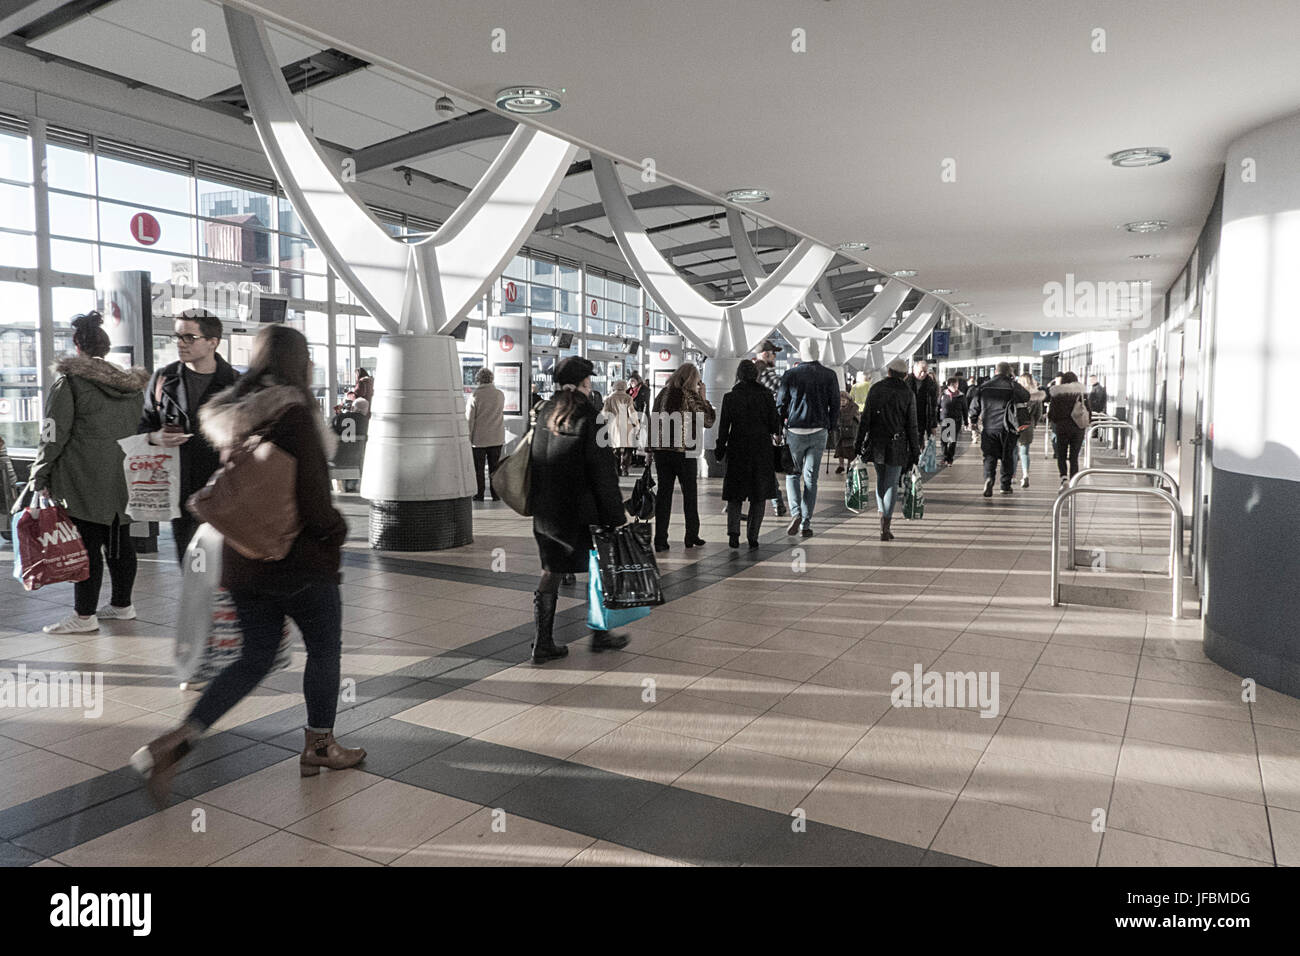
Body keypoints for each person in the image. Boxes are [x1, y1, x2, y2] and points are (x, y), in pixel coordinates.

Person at [133, 325, 360, 807]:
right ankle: (320, 746)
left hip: (243, 558)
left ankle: (179, 739)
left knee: (254, 658)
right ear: (300, 362)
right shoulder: (294, 414)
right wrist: (335, 533)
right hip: (298, 562)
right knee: (324, 649)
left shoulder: (234, 412)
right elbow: (314, 502)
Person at [19, 312, 147, 634]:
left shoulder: (70, 383)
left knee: (86, 546)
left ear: (77, 345)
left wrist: (39, 474)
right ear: (105, 347)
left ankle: (84, 616)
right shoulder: (131, 388)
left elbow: (52, 435)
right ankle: (122, 605)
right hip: (122, 477)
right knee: (120, 542)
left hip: (82, 479)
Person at [527, 356, 629, 663]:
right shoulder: (593, 418)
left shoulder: (545, 412)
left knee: (551, 571)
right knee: (598, 569)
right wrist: (616, 515)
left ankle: (543, 642)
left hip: (548, 512)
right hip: (583, 512)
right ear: (585, 383)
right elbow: (604, 473)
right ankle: (599, 635)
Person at [139, 308, 240, 563]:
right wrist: (156, 437)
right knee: (189, 564)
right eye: (178, 337)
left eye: (189, 338)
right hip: (179, 489)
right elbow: (143, 427)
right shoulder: (164, 379)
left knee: (223, 567)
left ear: (213, 342)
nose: (181, 344)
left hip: (222, 491)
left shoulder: (236, 385)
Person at [776, 338, 839, 538]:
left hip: (795, 430)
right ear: (818, 352)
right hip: (819, 430)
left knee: (793, 475)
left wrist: (779, 427)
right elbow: (835, 404)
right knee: (811, 478)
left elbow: (781, 403)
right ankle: (806, 523)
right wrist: (831, 425)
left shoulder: (790, 374)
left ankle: (796, 513)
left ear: (801, 353)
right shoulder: (829, 375)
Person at [649, 362, 715, 551]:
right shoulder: (690, 395)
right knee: (690, 495)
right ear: (692, 379)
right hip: (684, 452)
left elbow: (653, 419)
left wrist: (650, 450)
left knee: (664, 495)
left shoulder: (663, 393)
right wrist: (704, 397)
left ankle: (660, 540)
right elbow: (708, 420)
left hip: (662, 452)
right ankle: (691, 535)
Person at [715, 359, 781, 549]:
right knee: (758, 495)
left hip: (737, 449)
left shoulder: (730, 397)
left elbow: (724, 427)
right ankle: (753, 536)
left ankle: (733, 534)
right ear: (756, 375)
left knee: (735, 494)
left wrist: (720, 450)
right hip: (761, 450)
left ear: (738, 375)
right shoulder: (766, 396)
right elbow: (774, 425)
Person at [855, 357, 920, 541]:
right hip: (897, 443)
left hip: (876, 442)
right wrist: (915, 451)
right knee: (891, 483)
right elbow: (912, 425)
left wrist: (858, 443)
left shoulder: (876, 388)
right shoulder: (908, 393)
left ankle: (882, 519)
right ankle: (886, 525)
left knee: (881, 480)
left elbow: (865, 418)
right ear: (905, 375)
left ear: (889, 372)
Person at [968, 361, 1030, 497]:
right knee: (1007, 457)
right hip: (1008, 428)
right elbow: (1026, 396)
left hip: (989, 427)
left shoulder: (984, 386)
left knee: (989, 456)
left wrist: (973, 420)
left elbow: (974, 406)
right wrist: (1013, 379)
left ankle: (989, 478)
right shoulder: (1012, 385)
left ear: (996, 371)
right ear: (1009, 372)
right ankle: (1005, 486)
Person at [754, 338, 788, 518]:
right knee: (766, 467)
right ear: (766, 354)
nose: (775, 357)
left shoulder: (749, 372)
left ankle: (732, 504)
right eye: (774, 353)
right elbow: (782, 388)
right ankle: (778, 502)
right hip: (762, 428)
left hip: (747, 428)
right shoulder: (765, 372)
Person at [465, 367, 505, 501]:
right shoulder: (500, 394)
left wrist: (468, 437)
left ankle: (479, 494)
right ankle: (496, 494)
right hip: (497, 437)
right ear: (491, 379)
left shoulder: (475, 396)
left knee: (479, 469)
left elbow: (470, 419)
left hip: (479, 440)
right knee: (495, 468)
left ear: (478, 380)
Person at [1047, 371, 1089, 486]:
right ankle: (1073, 479)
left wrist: (1056, 421)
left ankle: (1064, 477)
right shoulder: (1081, 393)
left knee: (1061, 454)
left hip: (1062, 427)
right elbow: (1088, 409)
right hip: (1078, 428)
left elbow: (1052, 413)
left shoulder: (1057, 393)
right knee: (1074, 456)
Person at [1015, 373, 1046, 488]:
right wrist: (1034, 423)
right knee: (1024, 452)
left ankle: (1012, 475)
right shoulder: (1036, 396)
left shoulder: (1015, 394)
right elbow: (1039, 414)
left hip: (1014, 424)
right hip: (1028, 425)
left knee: (1013, 450)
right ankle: (1025, 475)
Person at [603, 380, 638, 476]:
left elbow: (605, 413)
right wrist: (636, 424)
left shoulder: (609, 399)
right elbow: (632, 413)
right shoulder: (628, 398)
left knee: (615, 449)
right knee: (628, 448)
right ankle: (625, 468)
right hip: (626, 425)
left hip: (613, 426)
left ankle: (617, 469)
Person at [906, 359, 940, 444]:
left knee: (919, 441)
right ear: (914, 370)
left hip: (922, 418)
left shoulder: (931, 384)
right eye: (920, 371)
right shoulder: (906, 382)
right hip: (907, 417)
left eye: (925, 371)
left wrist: (933, 425)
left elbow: (933, 406)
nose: (923, 374)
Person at [939, 377, 967, 465]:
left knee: (952, 440)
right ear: (948, 386)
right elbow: (938, 406)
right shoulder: (943, 394)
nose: (955, 387)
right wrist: (937, 418)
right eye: (953, 385)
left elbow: (965, 409)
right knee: (944, 440)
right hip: (945, 419)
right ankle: (945, 456)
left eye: (956, 385)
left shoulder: (961, 396)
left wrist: (966, 421)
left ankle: (949, 458)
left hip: (956, 420)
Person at [834, 390, 861, 474]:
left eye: (843, 400)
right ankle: (841, 465)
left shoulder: (854, 408)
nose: (841, 402)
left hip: (850, 432)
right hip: (839, 432)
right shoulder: (836, 408)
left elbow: (858, 419)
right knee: (839, 449)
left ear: (848, 400)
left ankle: (850, 466)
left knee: (850, 450)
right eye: (840, 400)